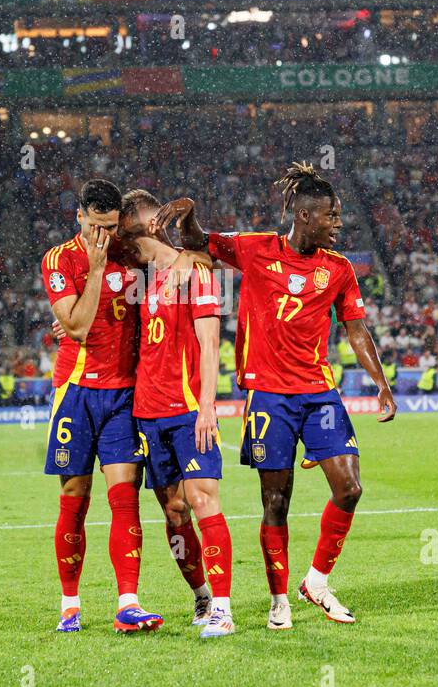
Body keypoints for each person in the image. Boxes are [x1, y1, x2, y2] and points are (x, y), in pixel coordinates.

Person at [159, 161, 396, 628]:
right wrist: (186, 217)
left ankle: (317, 581)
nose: (338, 224)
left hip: (318, 391)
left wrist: (382, 384)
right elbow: (198, 240)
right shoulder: (255, 250)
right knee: (276, 502)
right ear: (306, 216)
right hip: (268, 396)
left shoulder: (340, 269)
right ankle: (278, 599)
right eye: (332, 217)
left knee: (349, 487)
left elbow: (357, 329)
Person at [41, 179, 160, 634]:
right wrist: (93, 269)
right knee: (74, 496)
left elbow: (183, 275)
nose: (104, 237)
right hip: (75, 390)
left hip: (124, 393)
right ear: (79, 217)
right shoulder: (59, 259)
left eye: (111, 228)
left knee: (124, 496)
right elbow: (74, 326)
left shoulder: (132, 255)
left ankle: (128, 603)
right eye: (96, 227)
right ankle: (69, 604)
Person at [118, 188, 235, 638]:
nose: (119, 244)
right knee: (173, 511)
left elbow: (210, 344)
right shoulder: (145, 281)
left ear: (144, 228)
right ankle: (201, 595)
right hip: (148, 415)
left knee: (203, 498)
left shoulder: (196, 273)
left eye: (123, 232)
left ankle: (223, 609)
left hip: (188, 411)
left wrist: (207, 405)